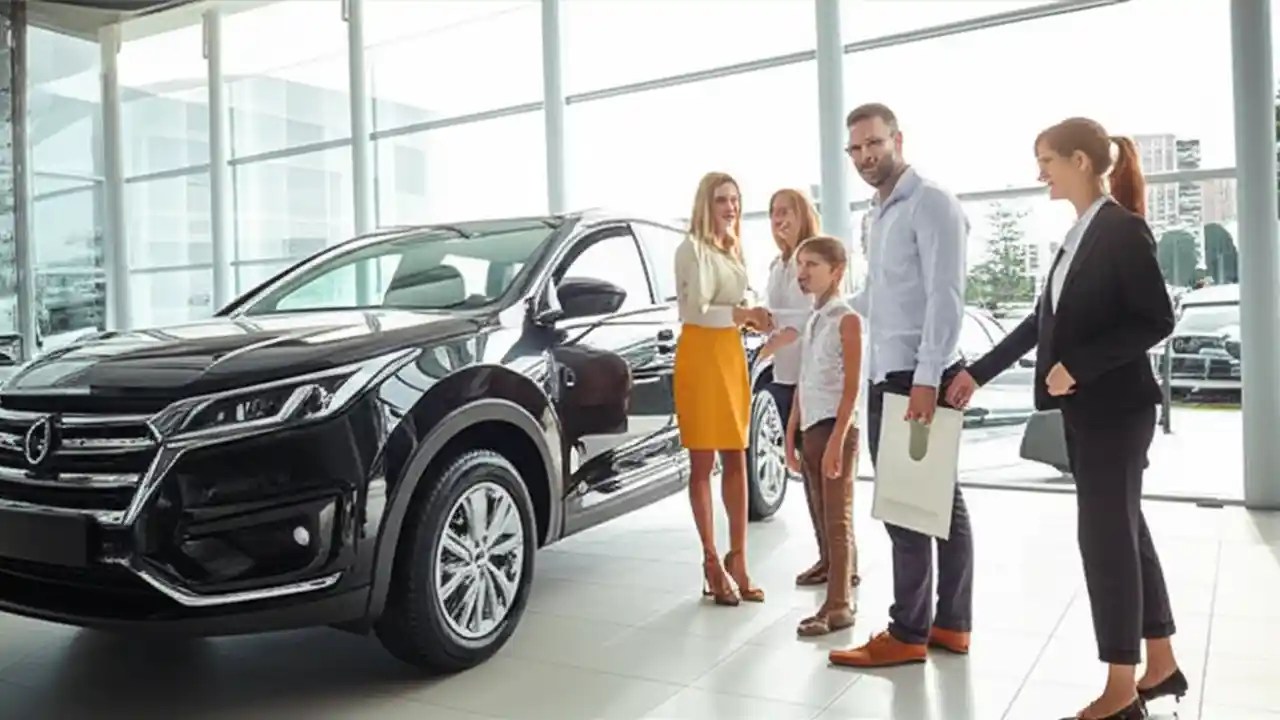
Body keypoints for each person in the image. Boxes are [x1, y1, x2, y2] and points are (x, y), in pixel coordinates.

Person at [947, 117, 1183, 720]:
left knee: (1104, 542)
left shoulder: (1122, 231)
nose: (1040, 173)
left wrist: (1078, 366)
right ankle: (1158, 663)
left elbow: (1156, 319)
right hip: (1091, 414)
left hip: (1114, 412)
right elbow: (1038, 324)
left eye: (1047, 160)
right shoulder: (1078, 236)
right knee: (1126, 533)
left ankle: (1120, 688)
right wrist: (978, 372)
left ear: (1081, 161)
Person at [828, 102, 974, 669]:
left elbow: (947, 295)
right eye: (857, 149)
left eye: (875, 144)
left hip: (913, 377)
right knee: (939, 502)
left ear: (898, 140)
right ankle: (951, 624)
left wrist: (926, 377)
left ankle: (908, 631)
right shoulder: (879, 213)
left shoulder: (931, 203)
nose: (866, 156)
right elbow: (884, 300)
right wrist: (823, 311)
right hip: (889, 373)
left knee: (907, 507)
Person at [673, 171, 773, 607]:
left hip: (730, 355)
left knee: (737, 453)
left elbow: (734, 308)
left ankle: (739, 558)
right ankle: (711, 561)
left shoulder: (733, 248)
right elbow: (695, 310)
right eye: (721, 200)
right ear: (705, 204)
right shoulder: (690, 249)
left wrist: (749, 317)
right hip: (700, 353)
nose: (730, 207)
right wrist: (746, 315)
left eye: (734, 199)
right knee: (703, 460)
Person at [756, 189, 861, 590]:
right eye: (772, 212)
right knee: (815, 487)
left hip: (820, 389)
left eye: (786, 211)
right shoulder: (778, 265)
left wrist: (764, 339)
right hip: (790, 380)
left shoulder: (828, 296)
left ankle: (843, 571)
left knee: (836, 496)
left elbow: (797, 321)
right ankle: (828, 560)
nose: (778, 218)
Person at [783, 236, 862, 636]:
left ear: (837, 271)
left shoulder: (847, 320)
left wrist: (837, 441)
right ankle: (832, 565)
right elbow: (803, 380)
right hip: (812, 426)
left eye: (812, 264)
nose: (803, 272)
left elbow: (851, 389)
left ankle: (838, 605)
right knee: (817, 506)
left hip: (835, 427)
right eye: (801, 264)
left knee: (837, 516)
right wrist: (790, 431)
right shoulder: (815, 319)